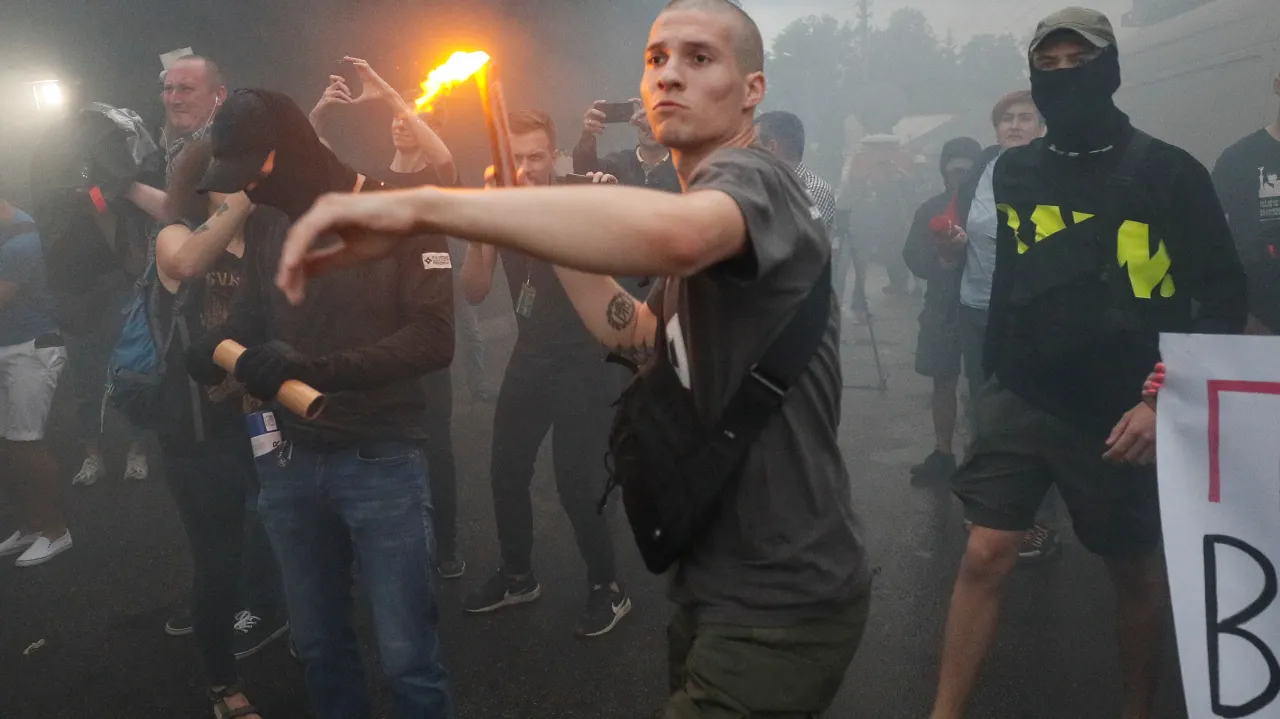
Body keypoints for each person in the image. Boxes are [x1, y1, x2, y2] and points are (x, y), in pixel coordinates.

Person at [277, 0, 872, 715]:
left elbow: (681, 236)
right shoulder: (709, 217)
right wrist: (543, 232)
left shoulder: (758, 182)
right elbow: (639, 333)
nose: (669, 75)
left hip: (782, 598)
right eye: (656, 58)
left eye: (699, 57)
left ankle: (603, 583)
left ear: (753, 90)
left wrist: (428, 207)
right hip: (717, 583)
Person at [930, 9, 1248, 719]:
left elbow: (1224, 297)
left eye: (1080, 61)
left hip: (1121, 410)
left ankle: (1137, 707)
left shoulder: (1170, 171)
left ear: (1111, 70)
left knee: (1132, 570)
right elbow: (1012, 276)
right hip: (1023, 395)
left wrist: (1161, 399)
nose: (1064, 76)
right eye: (1048, 64)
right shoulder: (1013, 171)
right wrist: (994, 370)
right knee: (985, 552)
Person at [190, 87, 456, 719]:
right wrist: (216, 343)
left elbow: (434, 336)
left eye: (254, 172)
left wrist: (318, 370)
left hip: (381, 457)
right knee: (318, 646)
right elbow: (254, 312)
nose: (248, 189)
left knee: (407, 658)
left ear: (291, 154)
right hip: (287, 462)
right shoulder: (269, 220)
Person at [456, 109, 632, 638]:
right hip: (531, 357)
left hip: (586, 362)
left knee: (576, 484)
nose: (526, 168)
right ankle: (518, 576)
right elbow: (474, 292)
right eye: (516, 158)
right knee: (505, 470)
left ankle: (608, 587)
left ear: (554, 156)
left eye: (537, 157)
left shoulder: (582, 194)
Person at [309, 60, 479, 578]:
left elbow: (444, 159)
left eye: (417, 118)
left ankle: (445, 544)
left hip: (425, 332)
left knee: (435, 442)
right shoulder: (372, 181)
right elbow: (313, 162)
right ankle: (384, 543)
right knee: (378, 437)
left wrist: (390, 94)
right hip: (374, 330)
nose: (403, 123)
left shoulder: (436, 184)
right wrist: (318, 115)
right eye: (398, 118)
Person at [152, 142, 289, 719]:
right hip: (197, 431)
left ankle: (282, 616)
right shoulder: (175, 235)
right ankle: (222, 684)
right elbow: (187, 266)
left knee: (285, 524)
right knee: (218, 558)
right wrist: (241, 199)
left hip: (262, 416)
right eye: (235, 173)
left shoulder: (266, 237)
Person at [900, 137, 982, 481]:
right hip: (942, 305)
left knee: (984, 385)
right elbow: (912, 253)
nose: (958, 178)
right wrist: (940, 261)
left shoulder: (988, 208)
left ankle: (985, 457)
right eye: (953, 171)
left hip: (983, 308)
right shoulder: (930, 208)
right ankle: (943, 452)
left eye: (966, 171)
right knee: (943, 379)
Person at [0, 181, 72, 567]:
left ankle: (56, 531)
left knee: (28, 444)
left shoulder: (22, 241)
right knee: (9, 446)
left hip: (32, 348)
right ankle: (32, 524)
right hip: (8, 347)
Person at [1212, 68, 1280, 333]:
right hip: (1260, 323)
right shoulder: (1240, 159)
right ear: (1278, 85)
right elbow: (1204, 237)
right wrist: (1239, 314)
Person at [756, 110, 837, 238]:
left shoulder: (813, 189)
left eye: (753, 145)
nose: (747, 152)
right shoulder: (765, 184)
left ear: (772, 147)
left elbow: (794, 240)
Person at [574, 99, 682, 193]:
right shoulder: (617, 163)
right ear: (636, 122)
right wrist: (587, 135)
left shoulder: (683, 171)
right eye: (645, 118)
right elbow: (584, 169)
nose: (650, 126)